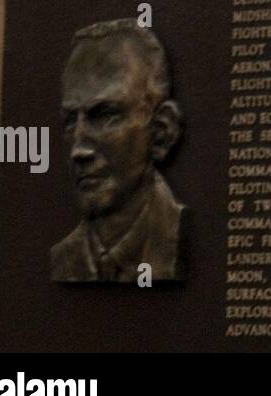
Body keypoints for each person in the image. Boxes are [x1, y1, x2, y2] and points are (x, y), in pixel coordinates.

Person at [51, 19, 187, 283]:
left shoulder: (173, 239)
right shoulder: (66, 258)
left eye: (105, 116)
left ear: (161, 131)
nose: (78, 149)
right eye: (70, 121)